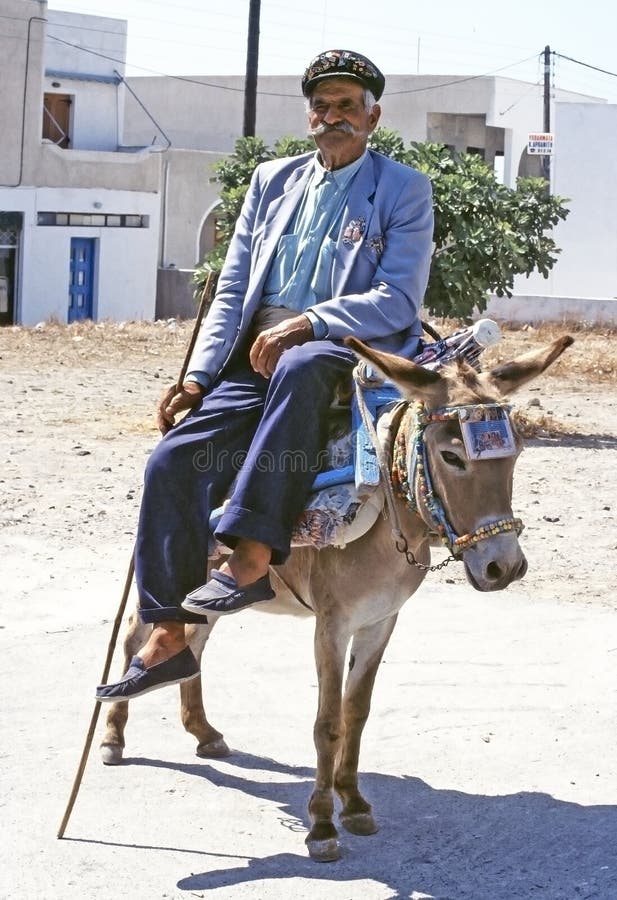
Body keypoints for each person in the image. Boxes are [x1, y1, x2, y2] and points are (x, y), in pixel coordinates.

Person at [96, 49, 434, 702]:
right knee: (171, 460)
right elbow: (231, 290)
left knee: (306, 362)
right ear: (308, 113)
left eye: (346, 105)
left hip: (339, 349)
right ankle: (169, 631)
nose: (331, 116)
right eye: (321, 104)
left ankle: (250, 556)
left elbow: (396, 298)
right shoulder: (270, 182)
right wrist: (196, 378)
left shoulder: (401, 189)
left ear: (373, 115)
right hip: (253, 356)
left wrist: (308, 323)